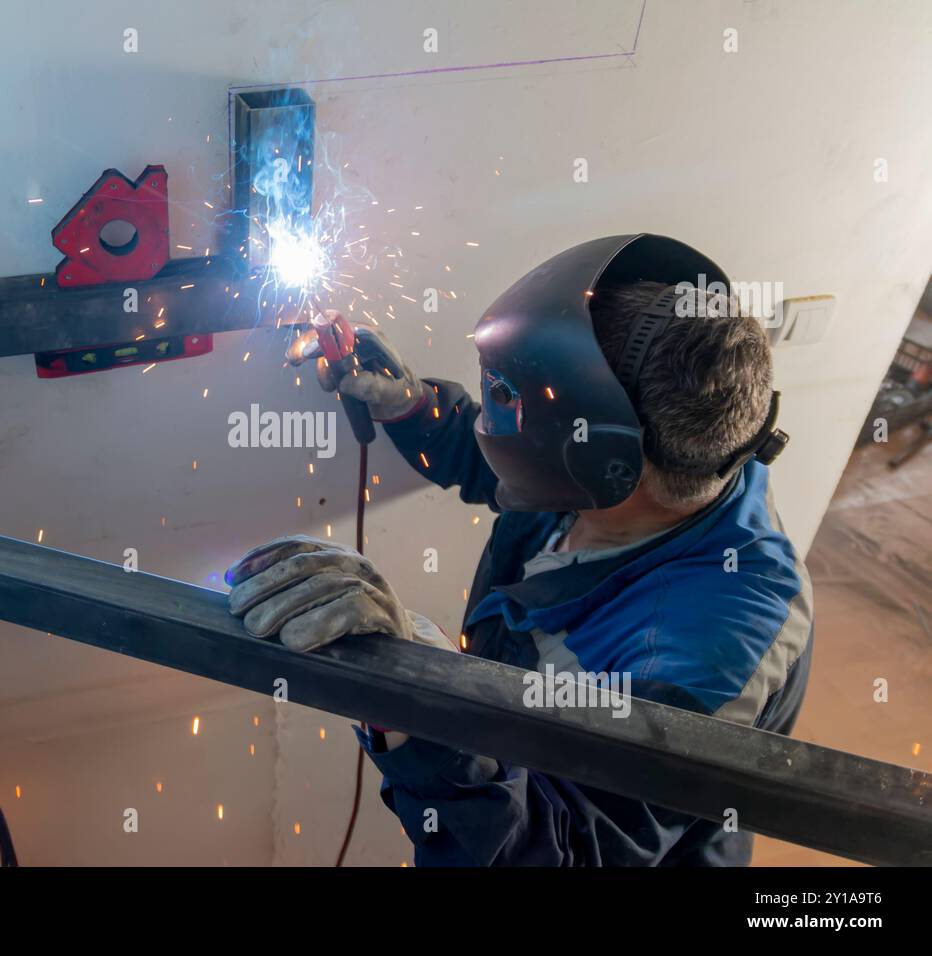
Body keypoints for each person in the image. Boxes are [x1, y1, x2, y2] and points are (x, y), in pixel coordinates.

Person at [225, 234, 813, 866]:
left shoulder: (703, 649)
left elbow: (550, 851)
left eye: (508, 399)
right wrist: (416, 409)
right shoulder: (669, 460)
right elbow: (518, 471)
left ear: (596, 454)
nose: (497, 416)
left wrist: (424, 693)